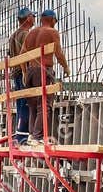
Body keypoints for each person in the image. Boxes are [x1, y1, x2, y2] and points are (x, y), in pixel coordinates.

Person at [22, 9, 69, 143]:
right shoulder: (52, 32)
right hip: (43, 71)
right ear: (53, 19)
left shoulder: (31, 33)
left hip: (31, 70)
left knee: (32, 104)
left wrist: (26, 72)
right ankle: (37, 137)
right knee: (44, 105)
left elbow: (22, 53)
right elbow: (58, 52)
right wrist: (65, 67)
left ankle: (32, 135)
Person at [6, 7, 35, 143]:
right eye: (33, 16)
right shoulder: (26, 34)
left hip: (16, 73)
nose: (35, 19)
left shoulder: (13, 35)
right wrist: (26, 72)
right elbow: (26, 55)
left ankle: (19, 134)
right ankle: (22, 136)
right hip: (24, 73)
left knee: (20, 104)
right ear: (28, 18)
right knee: (26, 104)